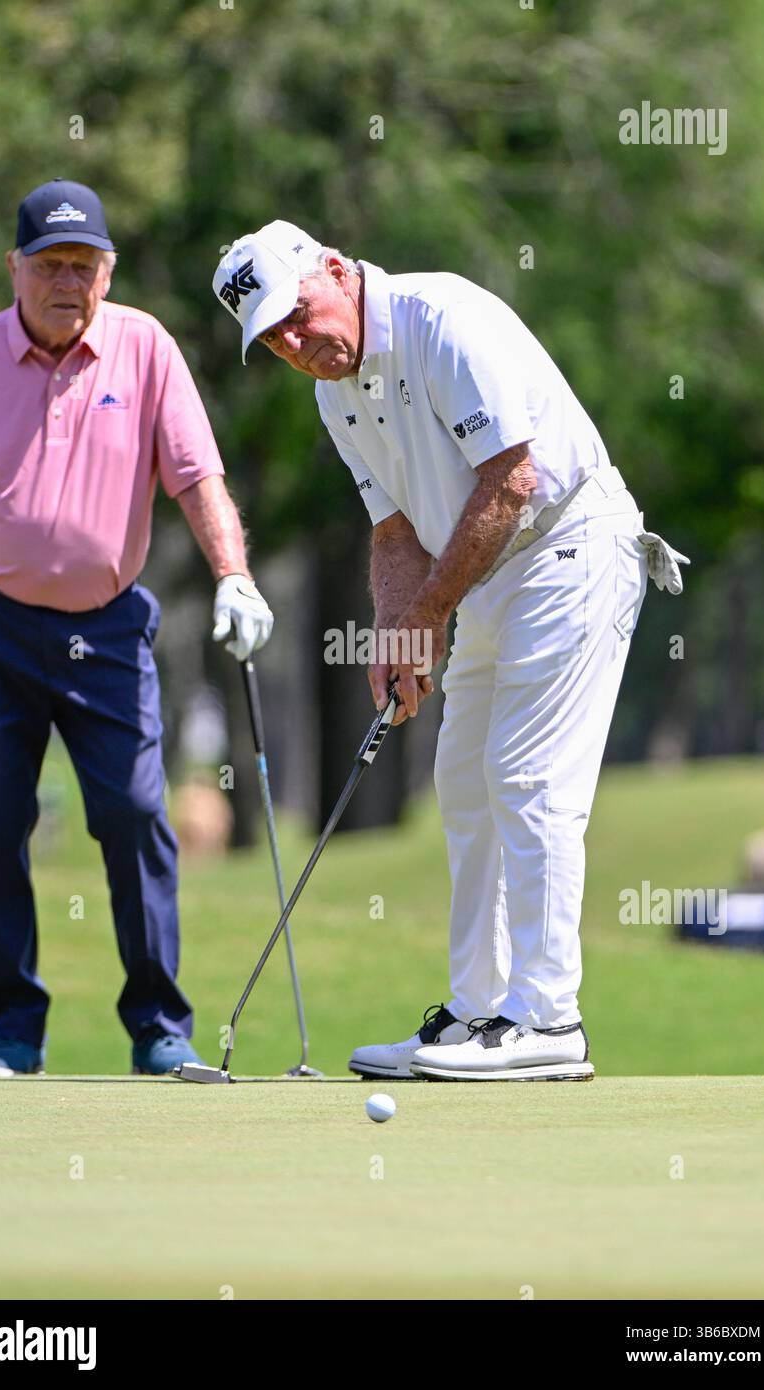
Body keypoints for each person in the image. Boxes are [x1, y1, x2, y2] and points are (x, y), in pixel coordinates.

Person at [212, 220, 688, 1082]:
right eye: (272, 338)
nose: (294, 343)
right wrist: (399, 630)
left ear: (333, 269)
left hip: (571, 542)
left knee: (527, 776)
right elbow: (395, 530)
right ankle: (478, 1014)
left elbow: (514, 478)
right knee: (463, 780)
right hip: (488, 574)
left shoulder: (441, 320)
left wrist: (429, 616)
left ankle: (550, 1020)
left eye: (296, 314)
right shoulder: (334, 392)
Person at [0, 179, 273, 1076]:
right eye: (50, 264)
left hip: (108, 626)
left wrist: (234, 575)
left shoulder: (145, 348)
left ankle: (159, 1027)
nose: (67, 282)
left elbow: (197, 474)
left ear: (108, 272)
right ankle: (13, 1028)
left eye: (84, 266)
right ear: (14, 267)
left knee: (133, 815)